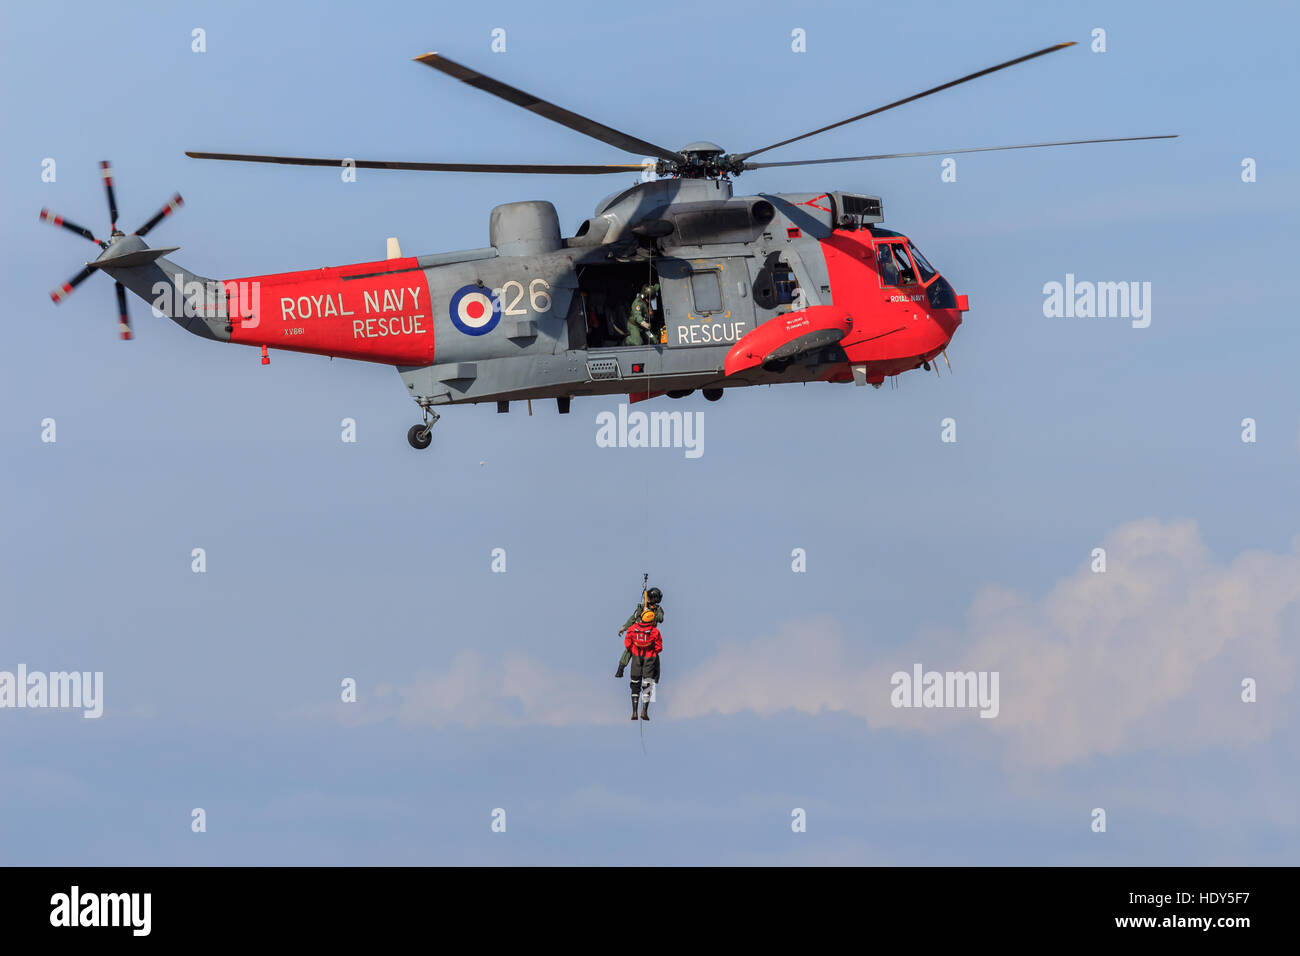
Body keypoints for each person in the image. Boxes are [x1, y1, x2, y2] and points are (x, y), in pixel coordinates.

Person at [623, 609, 662, 720]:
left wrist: (633, 649)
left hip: (636, 657)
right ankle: (644, 711)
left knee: (635, 683)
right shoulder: (654, 631)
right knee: (648, 683)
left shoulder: (632, 629)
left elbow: (627, 642)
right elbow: (659, 647)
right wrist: (652, 651)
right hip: (649, 658)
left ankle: (634, 711)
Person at [616, 586, 663, 677]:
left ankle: (655, 676)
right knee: (630, 648)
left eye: (650, 597)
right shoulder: (642, 606)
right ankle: (621, 667)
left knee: (655, 653)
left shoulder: (658, 610)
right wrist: (624, 627)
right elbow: (633, 618)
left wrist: (650, 613)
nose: (647, 598)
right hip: (638, 632)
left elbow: (660, 619)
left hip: (649, 634)